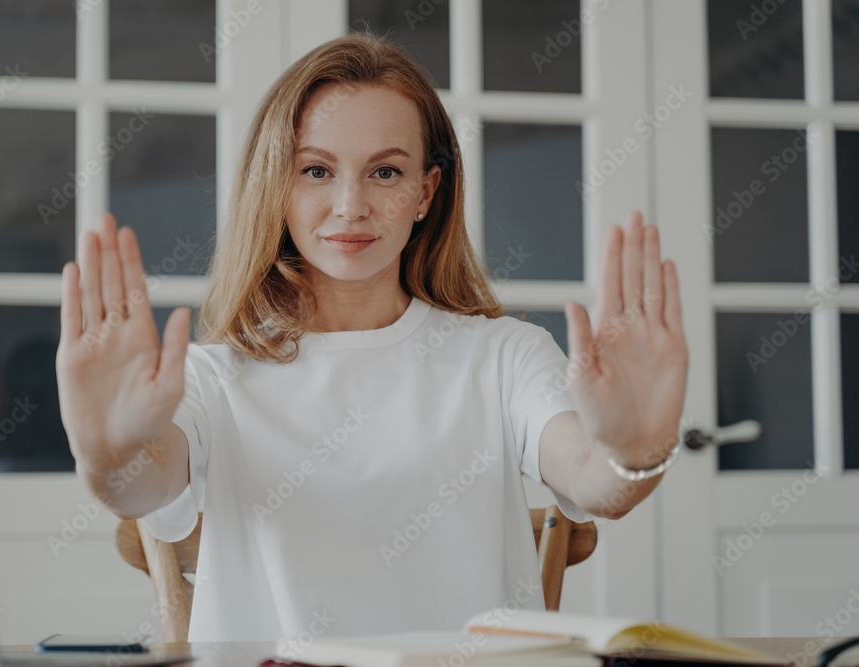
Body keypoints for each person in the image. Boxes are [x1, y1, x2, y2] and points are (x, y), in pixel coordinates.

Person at [55, 33, 688, 642]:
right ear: (277, 186)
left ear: (425, 192)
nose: (350, 205)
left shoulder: (503, 357)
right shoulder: (211, 377)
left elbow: (595, 481)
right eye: (315, 171)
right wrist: (107, 455)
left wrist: (635, 451)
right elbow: (141, 484)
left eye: (385, 173)